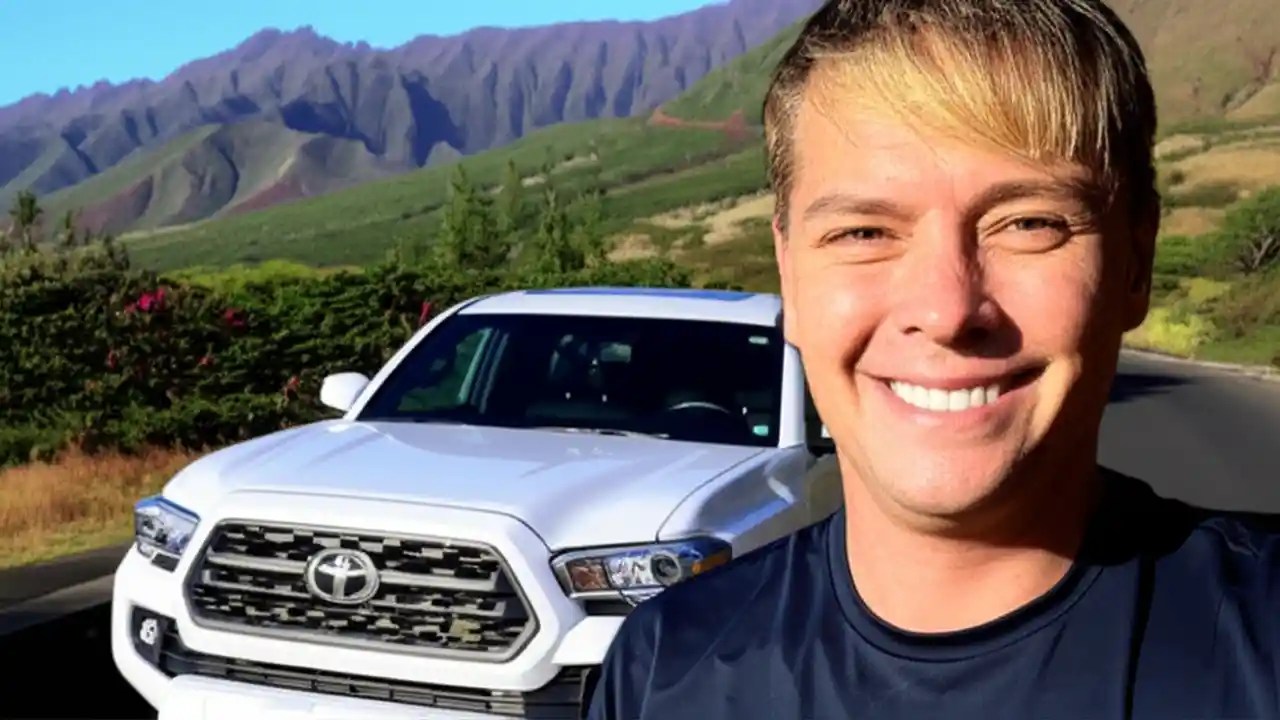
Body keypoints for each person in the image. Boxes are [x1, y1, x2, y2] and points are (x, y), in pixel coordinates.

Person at [585, 1, 1280, 718]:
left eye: (1029, 223)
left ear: (1135, 262)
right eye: (864, 232)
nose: (948, 310)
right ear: (788, 273)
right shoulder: (664, 669)